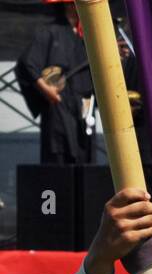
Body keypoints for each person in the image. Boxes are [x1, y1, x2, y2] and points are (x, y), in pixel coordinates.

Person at [16, 0, 96, 164]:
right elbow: (27, 63)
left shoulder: (90, 34)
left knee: (85, 152)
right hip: (59, 103)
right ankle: (54, 191)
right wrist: (45, 89)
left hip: (85, 102)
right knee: (59, 151)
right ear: (68, 6)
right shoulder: (51, 31)